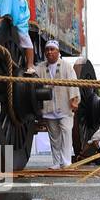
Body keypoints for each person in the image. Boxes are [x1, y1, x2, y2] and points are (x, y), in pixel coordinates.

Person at [34, 38, 80, 168]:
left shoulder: (66, 66)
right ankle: (56, 162)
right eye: (47, 50)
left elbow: (73, 83)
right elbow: (32, 79)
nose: (49, 52)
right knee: (54, 137)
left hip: (65, 106)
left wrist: (74, 99)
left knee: (66, 133)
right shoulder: (41, 68)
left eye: (52, 49)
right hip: (49, 108)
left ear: (58, 51)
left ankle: (66, 161)